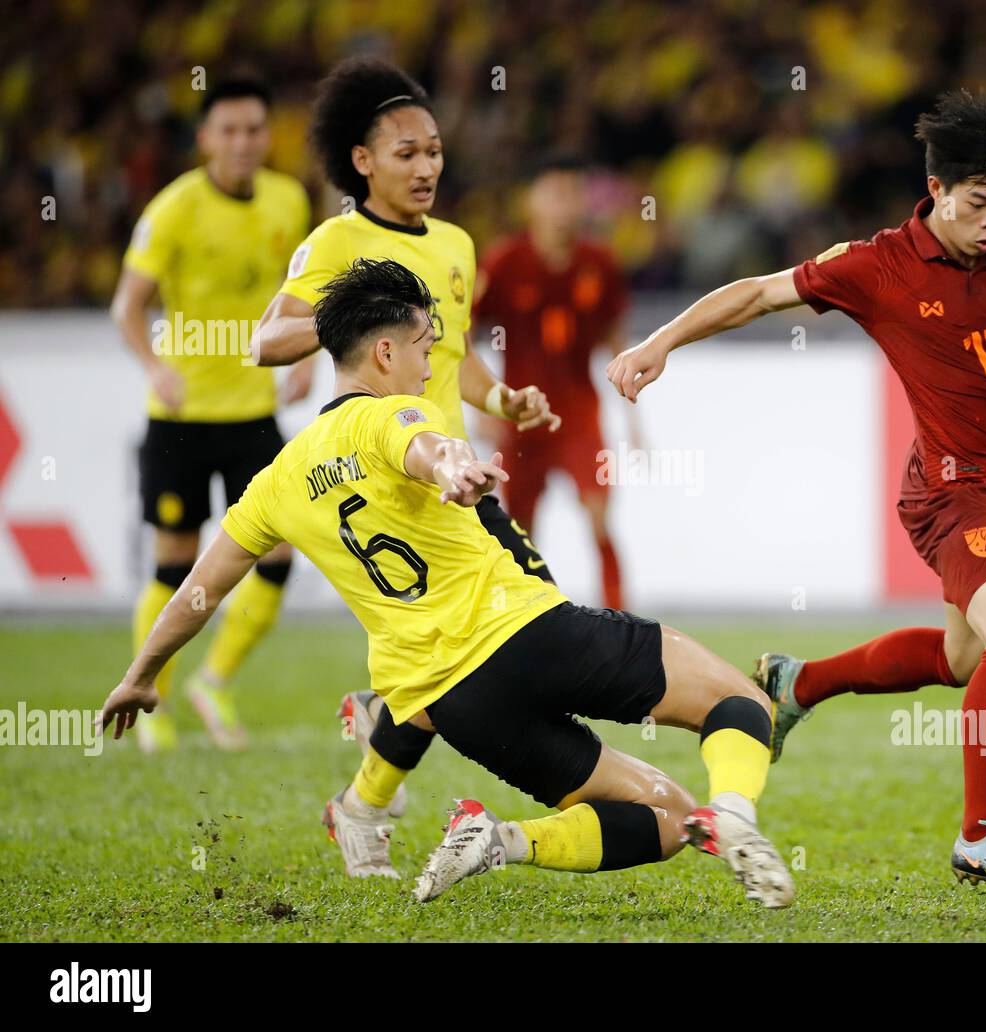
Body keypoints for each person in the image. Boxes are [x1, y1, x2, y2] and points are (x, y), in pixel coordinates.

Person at [606, 89, 986, 891]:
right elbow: (757, 292)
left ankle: (799, 683)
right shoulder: (878, 264)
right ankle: (981, 833)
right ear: (936, 190)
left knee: (968, 658)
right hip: (947, 491)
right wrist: (660, 343)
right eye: (979, 203)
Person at [99, 258, 794, 909]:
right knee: (742, 702)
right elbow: (426, 446)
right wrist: (453, 467)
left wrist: (142, 673)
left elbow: (201, 588)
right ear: (384, 353)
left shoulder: (278, 480)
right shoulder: (391, 414)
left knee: (669, 819)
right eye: (426, 345)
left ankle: (500, 839)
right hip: (529, 638)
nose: (431, 361)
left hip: (456, 703)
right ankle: (734, 813)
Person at [249, 58, 562, 878]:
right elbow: (265, 342)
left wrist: (508, 398)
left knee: (498, 642)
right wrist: (351, 311)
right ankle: (386, 772)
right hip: (392, 480)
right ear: (362, 161)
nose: (425, 168)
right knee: (525, 632)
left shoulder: (457, 246)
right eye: (405, 154)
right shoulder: (339, 242)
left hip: (453, 472)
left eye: (433, 152)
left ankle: (365, 795)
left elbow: (451, 359)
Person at [110, 76, 315, 752]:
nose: (242, 142)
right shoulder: (174, 209)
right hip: (183, 419)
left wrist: (310, 355)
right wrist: (155, 366)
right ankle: (153, 700)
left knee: (281, 553)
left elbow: (306, 296)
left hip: (253, 414)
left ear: (268, 135)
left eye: (254, 129)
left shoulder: (290, 199)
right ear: (204, 139)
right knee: (176, 562)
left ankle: (215, 680)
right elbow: (127, 305)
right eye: (228, 130)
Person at [474, 155, 632, 607]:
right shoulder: (504, 262)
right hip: (520, 415)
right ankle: (527, 619)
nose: (566, 205)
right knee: (519, 530)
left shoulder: (598, 261)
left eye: (573, 194)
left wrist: (633, 412)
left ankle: (618, 620)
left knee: (600, 519)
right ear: (532, 202)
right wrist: (482, 406)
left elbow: (614, 336)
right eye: (555, 193)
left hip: (581, 415)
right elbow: (463, 338)